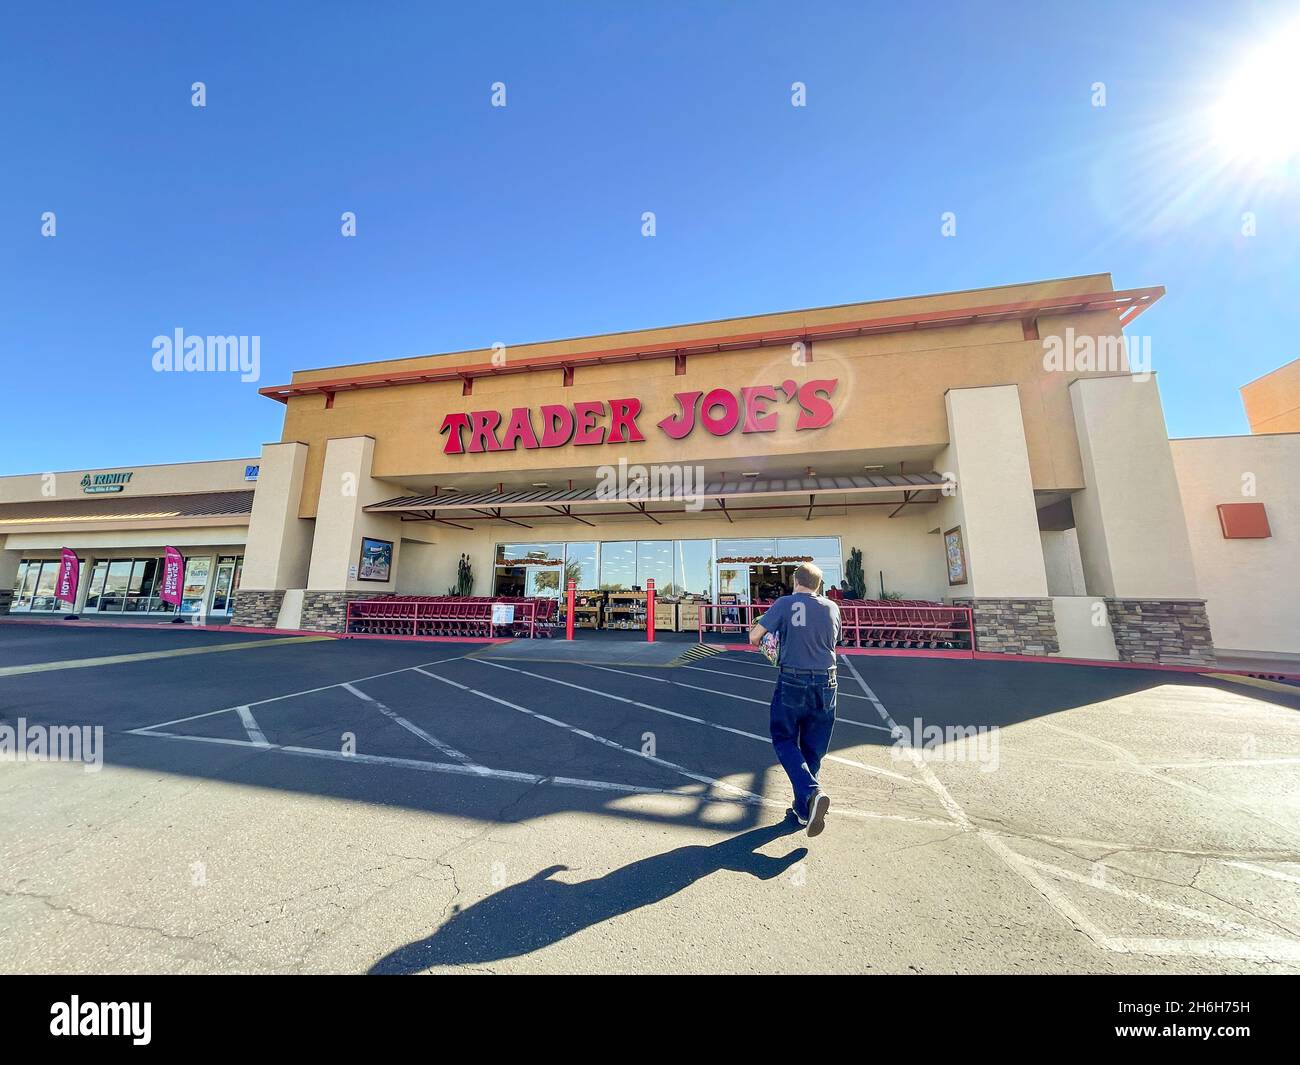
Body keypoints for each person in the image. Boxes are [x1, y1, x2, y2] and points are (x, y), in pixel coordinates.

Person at [748, 562, 841, 837]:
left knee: (784, 739)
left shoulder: (785, 603)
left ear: (794, 581)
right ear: (819, 585)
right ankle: (804, 809)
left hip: (793, 680)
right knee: (813, 748)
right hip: (827, 681)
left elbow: (755, 637)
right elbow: (834, 642)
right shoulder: (832, 608)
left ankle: (812, 792)